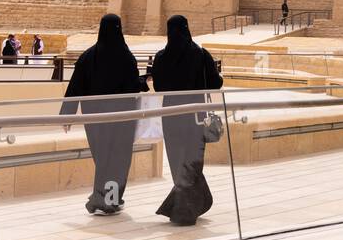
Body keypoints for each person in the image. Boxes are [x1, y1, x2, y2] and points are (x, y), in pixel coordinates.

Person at [60, 14, 147, 216]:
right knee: (119, 158)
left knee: (103, 157)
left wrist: (68, 115)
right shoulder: (126, 57)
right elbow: (133, 86)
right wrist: (144, 82)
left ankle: (105, 198)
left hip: (95, 118)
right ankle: (108, 199)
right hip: (122, 118)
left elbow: (76, 87)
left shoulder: (88, 57)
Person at [148, 15, 224, 225]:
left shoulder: (161, 56)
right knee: (192, 163)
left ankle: (187, 206)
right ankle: (188, 209)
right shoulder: (200, 54)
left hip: (171, 117)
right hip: (195, 117)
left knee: (177, 163)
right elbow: (215, 83)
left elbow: (159, 87)